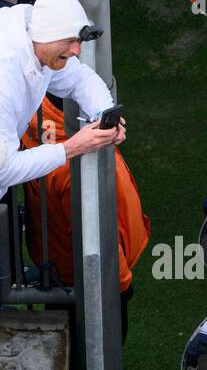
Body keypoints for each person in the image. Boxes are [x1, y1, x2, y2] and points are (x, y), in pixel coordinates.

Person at [18, 95, 148, 340]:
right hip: (81, 280)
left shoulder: (34, 121)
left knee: (63, 344)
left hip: (58, 265)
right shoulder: (80, 169)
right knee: (92, 362)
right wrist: (121, 288)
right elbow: (102, 251)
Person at [0, 0, 122, 193]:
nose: (77, 51)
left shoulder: (37, 38)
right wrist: (72, 147)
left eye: (79, 41)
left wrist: (103, 114)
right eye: (69, 41)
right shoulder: (5, 75)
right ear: (48, 35)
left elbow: (79, 78)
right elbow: (4, 169)